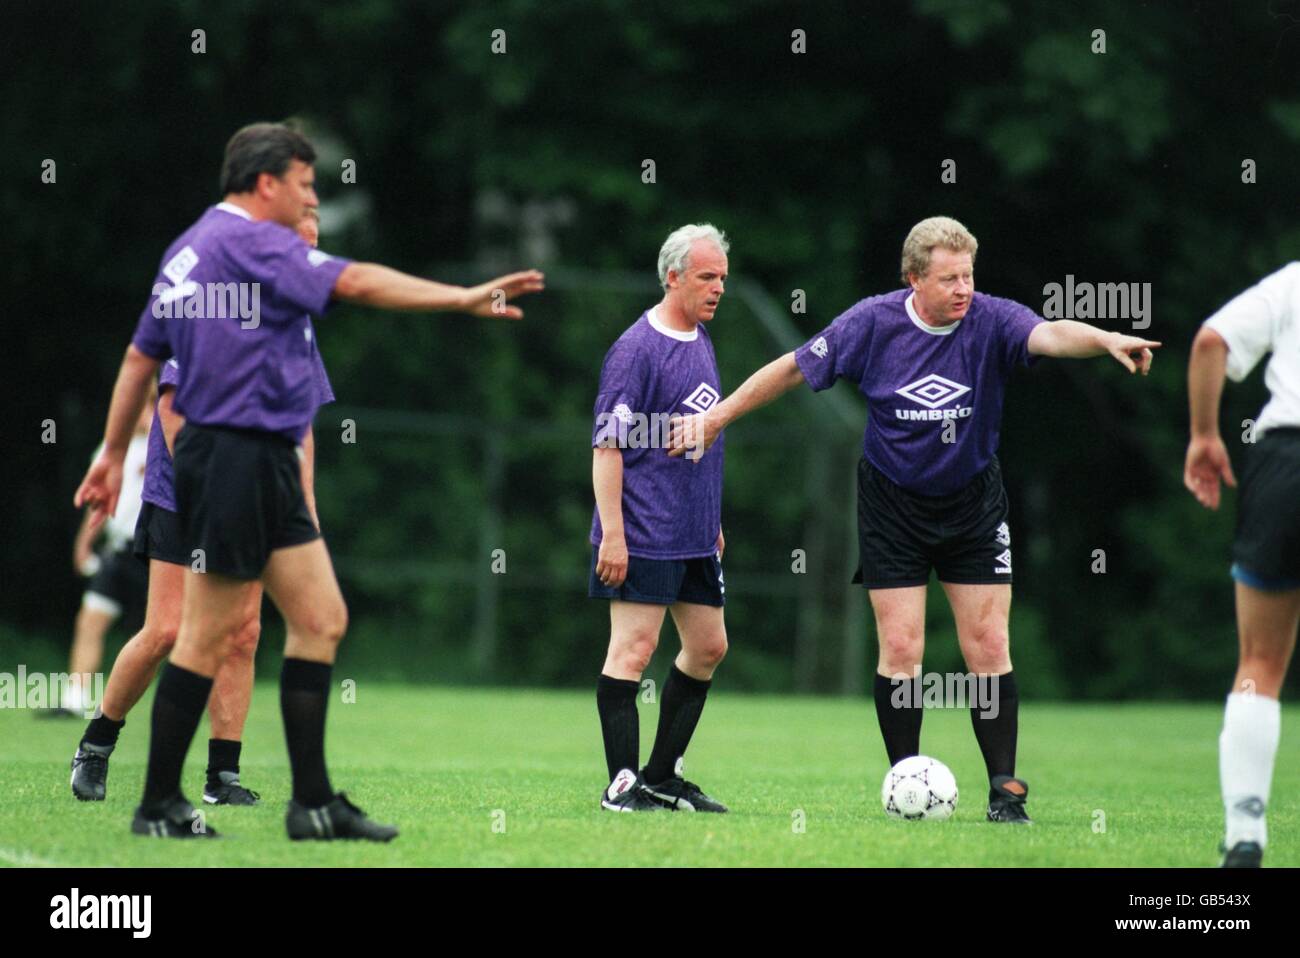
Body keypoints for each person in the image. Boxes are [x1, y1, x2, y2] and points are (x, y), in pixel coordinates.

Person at [74, 121, 543, 840]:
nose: (311, 195)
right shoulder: (253, 242)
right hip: (232, 453)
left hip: (264, 461)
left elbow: (141, 357)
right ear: (267, 184)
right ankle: (158, 804)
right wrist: (458, 298)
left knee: (319, 618)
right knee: (201, 635)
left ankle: (312, 804)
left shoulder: (190, 247)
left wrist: (109, 455)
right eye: (305, 182)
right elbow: (352, 280)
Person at [668, 216, 1159, 823]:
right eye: (950, 278)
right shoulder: (872, 323)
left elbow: (1050, 333)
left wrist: (1106, 338)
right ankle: (906, 784)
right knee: (901, 647)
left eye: (969, 276)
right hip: (892, 504)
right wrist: (716, 418)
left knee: (989, 644)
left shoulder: (991, 319)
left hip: (972, 502)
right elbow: (795, 367)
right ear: (913, 279)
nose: (963, 289)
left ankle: (1004, 791)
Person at [70, 209, 335, 807]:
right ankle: (97, 742)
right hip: (186, 490)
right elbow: (171, 408)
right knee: (166, 630)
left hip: (256, 493)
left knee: (242, 633)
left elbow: (303, 423)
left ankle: (223, 777)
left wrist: (304, 505)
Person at [591, 223, 730, 813]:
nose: (718, 287)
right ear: (672, 277)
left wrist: (714, 519)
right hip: (644, 530)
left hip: (696, 536)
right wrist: (615, 534)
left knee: (708, 647)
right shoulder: (636, 349)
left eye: (723, 277)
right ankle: (622, 786)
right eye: (706, 277)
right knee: (633, 650)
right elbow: (607, 448)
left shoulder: (700, 339)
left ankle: (663, 775)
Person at [1184, 262, 1300, 867]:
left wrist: (1205, 434)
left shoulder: (1296, 280)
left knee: (1259, 662)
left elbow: (1210, 341)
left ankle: (1245, 837)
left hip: (1286, 462)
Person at [55, 399, 153, 717]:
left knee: (169, 633)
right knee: (90, 621)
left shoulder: (168, 443)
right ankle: (74, 699)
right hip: (118, 552)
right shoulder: (113, 448)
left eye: (146, 404)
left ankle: (201, 698)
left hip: (157, 553)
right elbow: (99, 501)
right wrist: (84, 544)